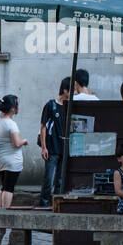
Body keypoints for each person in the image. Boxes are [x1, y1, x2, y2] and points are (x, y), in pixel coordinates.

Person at [0, 95, 27, 209]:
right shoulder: (11, 124)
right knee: (9, 188)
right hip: (12, 161)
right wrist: (24, 141)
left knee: (4, 187)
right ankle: (4, 215)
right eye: (17, 104)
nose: (18, 107)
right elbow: (16, 143)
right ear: (12, 108)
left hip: (0, 160)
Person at [38, 77, 70, 206]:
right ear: (65, 90)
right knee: (48, 179)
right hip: (52, 148)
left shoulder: (71, 106)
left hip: (65, 148)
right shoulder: (51, 105)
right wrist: (44, 147)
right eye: (71, 90)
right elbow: (43, 127)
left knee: (61, 179)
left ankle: (56, 204)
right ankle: (44, 203)